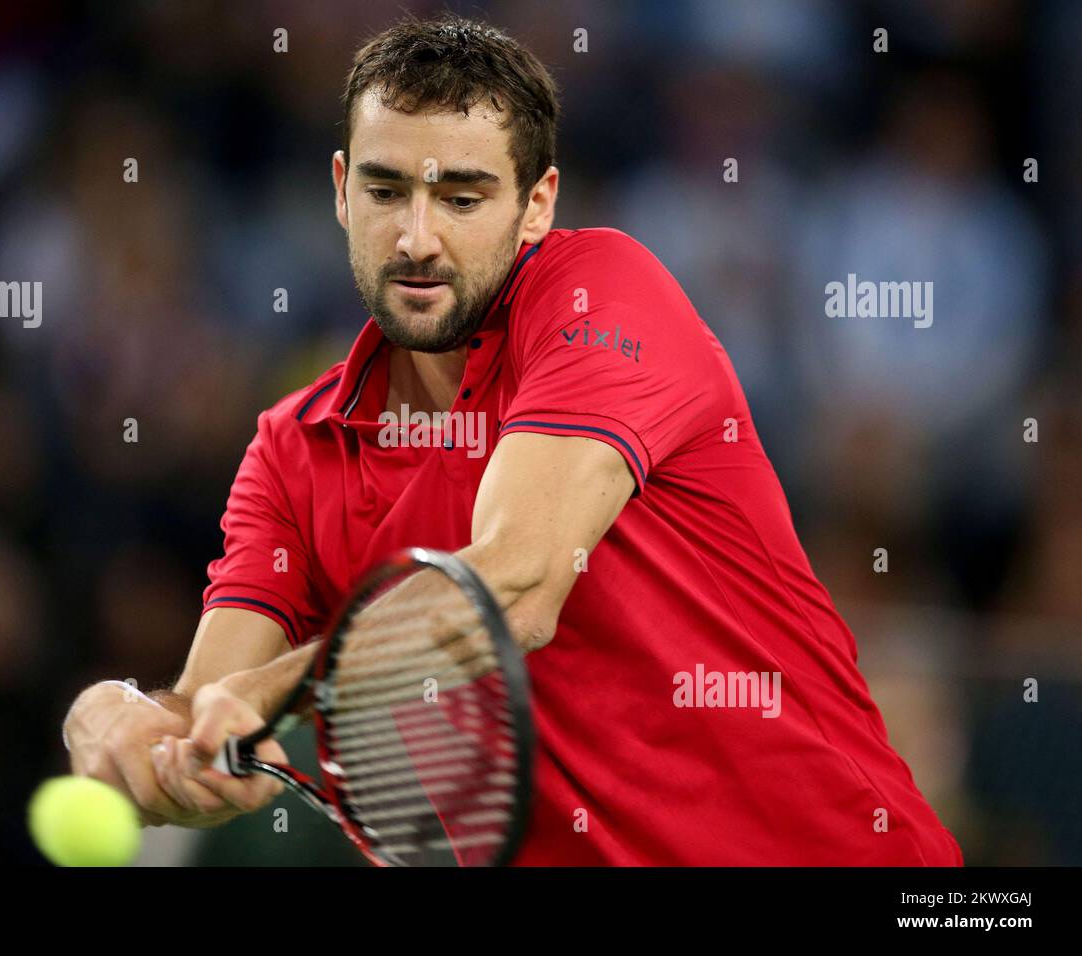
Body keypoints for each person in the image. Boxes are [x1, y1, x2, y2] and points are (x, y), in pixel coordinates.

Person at [64, 14, 962, 865]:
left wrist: (261, 702)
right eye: (385, 190)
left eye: (463, 196)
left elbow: (514, 584)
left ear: (538, 205)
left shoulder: (602, 292)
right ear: (341, 191)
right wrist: (124, 723)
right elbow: (203, 718)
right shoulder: (292, 452)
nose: (418, 237)